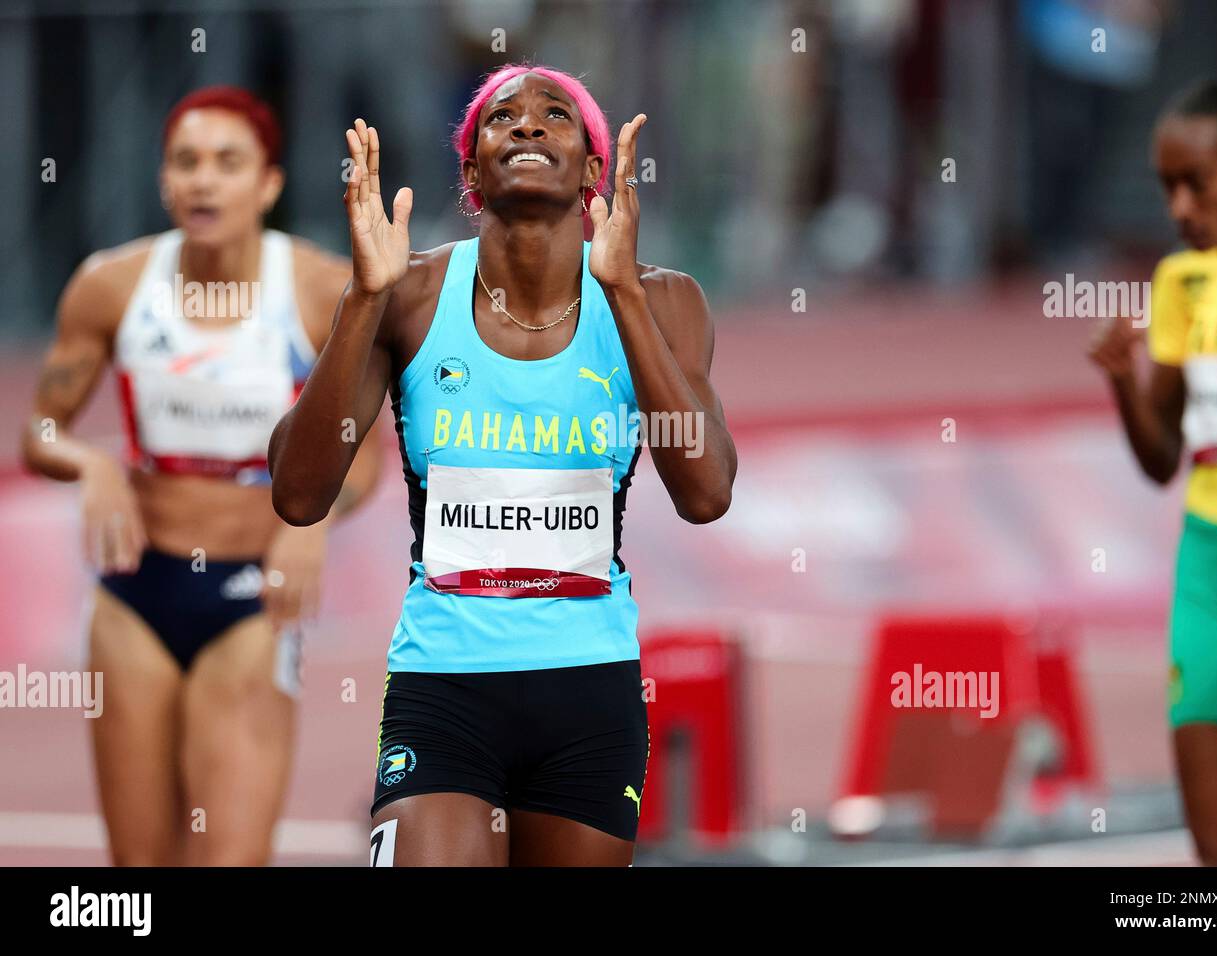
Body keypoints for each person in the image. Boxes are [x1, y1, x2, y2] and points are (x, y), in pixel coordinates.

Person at [269, 64, 737, 866]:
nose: (526, 126)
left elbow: (705, 492)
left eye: (555, 116)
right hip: (444, 687)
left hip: (590, 689)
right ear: (471, 170)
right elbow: (298, 494)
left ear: (595, 172)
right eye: (502, 119)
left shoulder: (664, 301)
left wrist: (619, 294)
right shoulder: (408, 295)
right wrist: (361, 301)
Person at [20, 85, 382, 866]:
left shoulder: (317, 292)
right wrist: (90, 464)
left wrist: (309, 525)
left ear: (269, 184)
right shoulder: (112, 285)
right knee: (138, 873)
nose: (203, 181)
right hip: (133, 598)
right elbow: (38, 429)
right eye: (186, 162)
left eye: (227, 162)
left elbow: (367, 450)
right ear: (163, 181)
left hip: (250, 603)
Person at [1090, 63, 1217, 865]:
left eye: (1198, 184)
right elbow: (1161, 458)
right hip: (1210, 573)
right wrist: (1121, 385)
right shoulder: (1181, 283)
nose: (1180, 208)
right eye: (1166, 187)